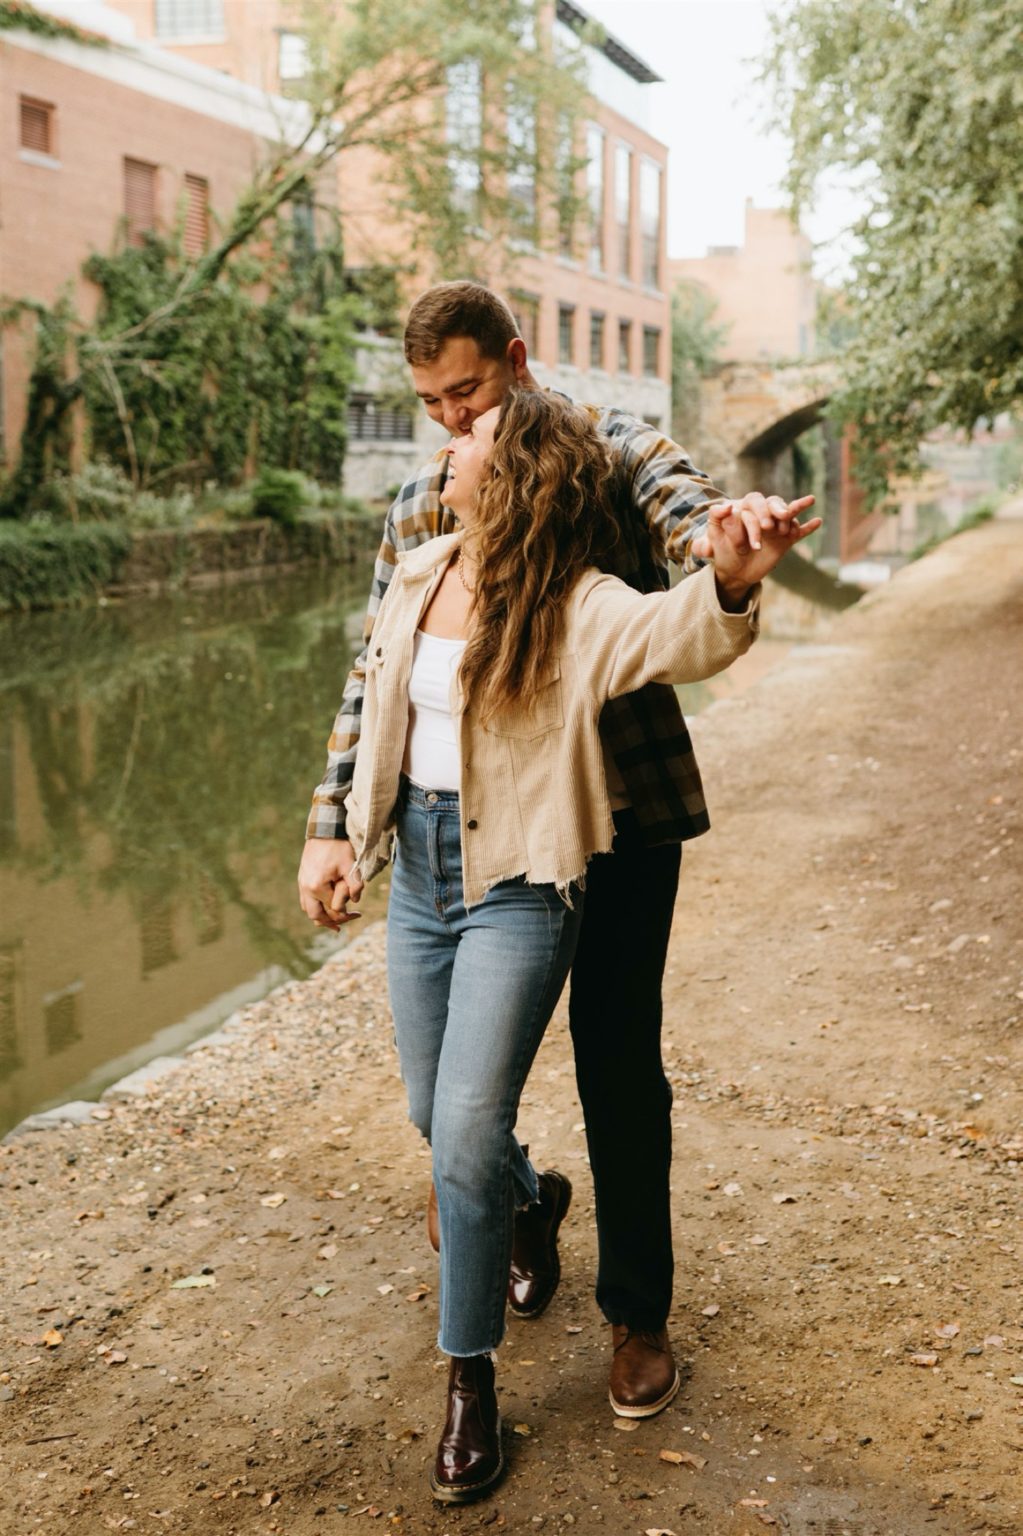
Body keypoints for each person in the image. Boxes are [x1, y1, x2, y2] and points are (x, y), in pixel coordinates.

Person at [298, 281, 813, 1423]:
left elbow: (684, 519)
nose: (446, 421)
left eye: (466, 391)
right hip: (485, 829)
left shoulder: (607, 443)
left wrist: (723, 547)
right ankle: (521, 1200)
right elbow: (371, 674)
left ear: (517, 359)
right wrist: (337, 825)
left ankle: (636, 1317)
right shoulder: (428, 500)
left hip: (619, 811)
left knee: (615, 1056)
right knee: (457, 1111)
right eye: (429, 399)